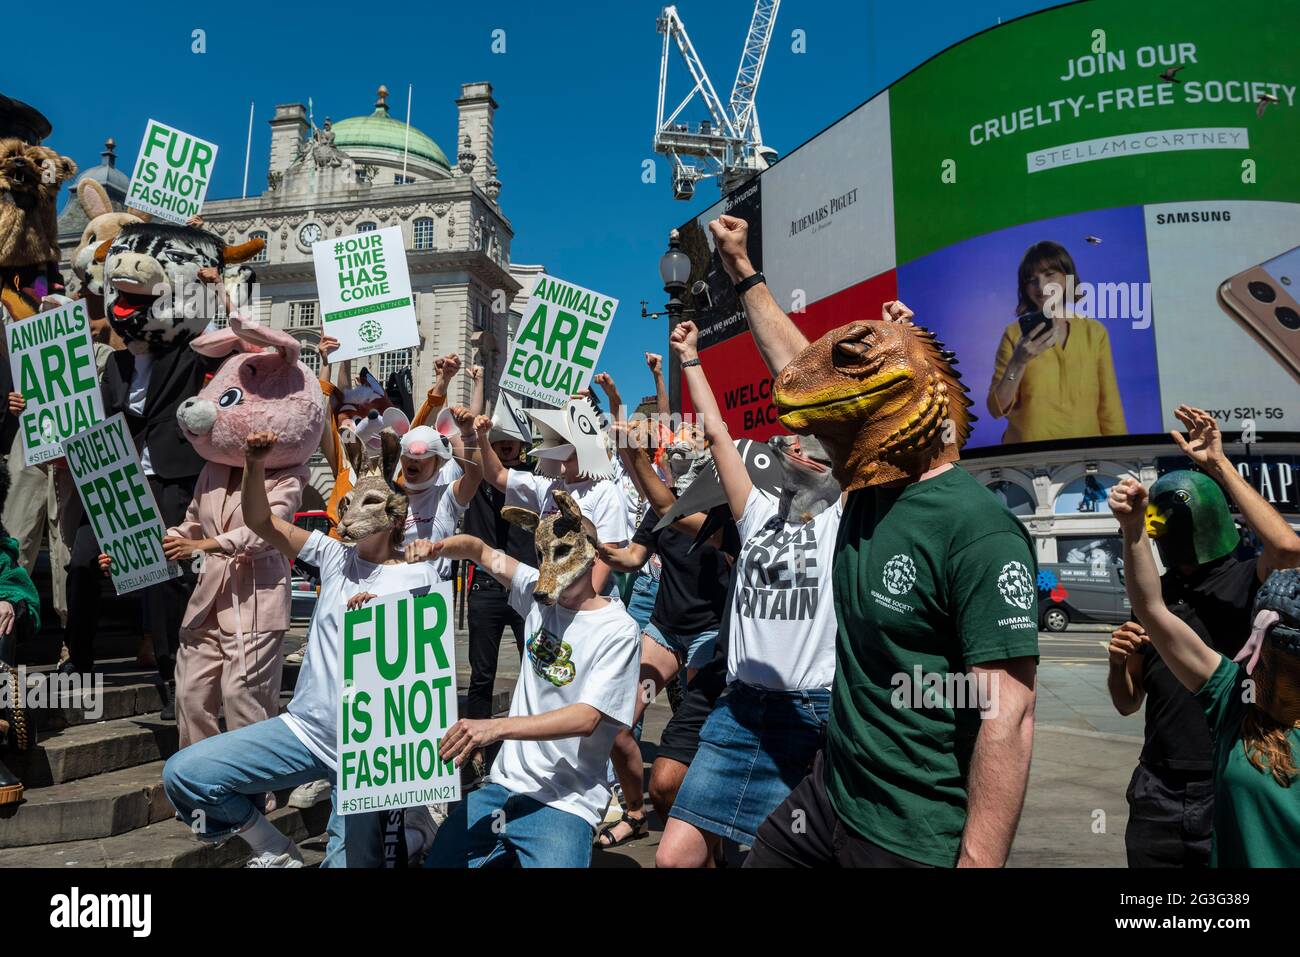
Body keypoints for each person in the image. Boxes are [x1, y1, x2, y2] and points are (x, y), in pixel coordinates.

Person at [703, 213, 1039, 867]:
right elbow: (798, 369)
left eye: (860, 353)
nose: (832, 368)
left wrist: (978, 860)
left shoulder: (978, 528)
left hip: (911, 832)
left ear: (920, 384)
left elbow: (1010, 711)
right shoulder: (861, 492)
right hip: (830, 795)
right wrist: (741, 267)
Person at [162, 426, 457, 867]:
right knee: (186, 774)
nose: (353, 512)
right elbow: (261, 521)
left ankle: (413, 828)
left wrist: (384, 612)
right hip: (307, 731)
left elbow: (427, 657)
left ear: (397, 516)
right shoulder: (335, 556)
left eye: (371, 501)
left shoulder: (421, 576)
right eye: (349, 503)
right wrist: (255, 465)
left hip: (372, 749)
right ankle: (272, 849)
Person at [641, 319, 841, 866]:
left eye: (808, 441)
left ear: (833, 466)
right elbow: (717, 433)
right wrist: (689, 358)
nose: (791, 442)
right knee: (673, 857)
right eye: (789, 437)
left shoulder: (841, 519)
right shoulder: (754, 513)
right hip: (739, 707)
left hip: (813, 714)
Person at [1107, 405, 1300, 866]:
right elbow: (1127, 700)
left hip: (1231, 769)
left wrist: (1218, 463)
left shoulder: (1248, 579)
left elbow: (1289, 550)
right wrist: (1119, 663)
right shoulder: (1156, 592)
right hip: (1159, 784)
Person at [417, 490, 641, 868]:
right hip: (504, 787)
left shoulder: (618, 629)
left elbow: (587, 718)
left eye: (559, 556)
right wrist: (437, 548)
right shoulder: (538, 595)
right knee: (442, 860)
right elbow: (480, 551)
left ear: (589, 555)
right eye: (540, 558)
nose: (546, 574)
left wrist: (496, 728)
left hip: (565, 802)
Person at [478, 398, 629, 596]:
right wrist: (480, 437)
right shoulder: (548, 487)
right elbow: (497, 475)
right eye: (558, 442)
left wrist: (581, 607)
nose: (560, 451)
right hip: (552, 593)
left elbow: (605, 556)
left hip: (587, 599)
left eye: (566, 444)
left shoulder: (605, 491)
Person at [986, 240, 1126, 444]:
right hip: (1026, 458)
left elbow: (1109, 406)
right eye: (1031, 280)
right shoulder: (1014, 334)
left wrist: (1121, 458)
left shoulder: (1095, 333)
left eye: (1049, 274)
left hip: (1086, 457)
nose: (1041, 286)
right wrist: (1018, 362)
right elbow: (996, 408)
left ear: (1068, 278)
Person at [460, 411, 537, 772]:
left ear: (524, 443)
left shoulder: (536, 479)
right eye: (500, 437)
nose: (506, 443)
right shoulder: (475, 473)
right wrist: (475, 427)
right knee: (482, 675)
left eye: (513, 437)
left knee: (535, 670)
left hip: (527, 587)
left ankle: (530, 743)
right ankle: (475, 749)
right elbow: (466, 446)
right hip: (486, 588)